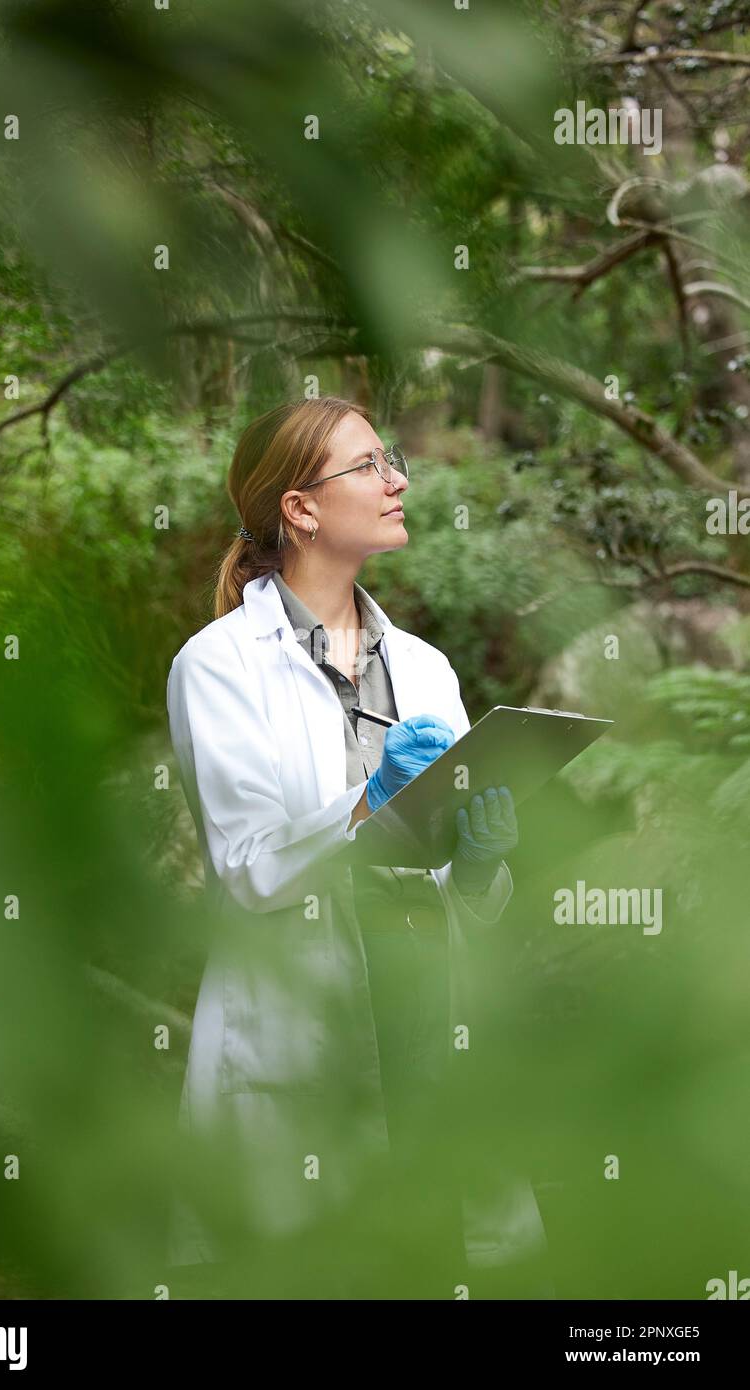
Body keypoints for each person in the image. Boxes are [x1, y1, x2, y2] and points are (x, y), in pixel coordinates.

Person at [165, 395, 551, 1297]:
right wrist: (368, 802)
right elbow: (250, 866)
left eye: (394, 460)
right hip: (305, 1035)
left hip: (426, 1018)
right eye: (370, 465)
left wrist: (483, 859)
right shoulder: (220, 666)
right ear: (299, 508)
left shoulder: (426, 669)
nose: (398, 481)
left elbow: (461, 885)